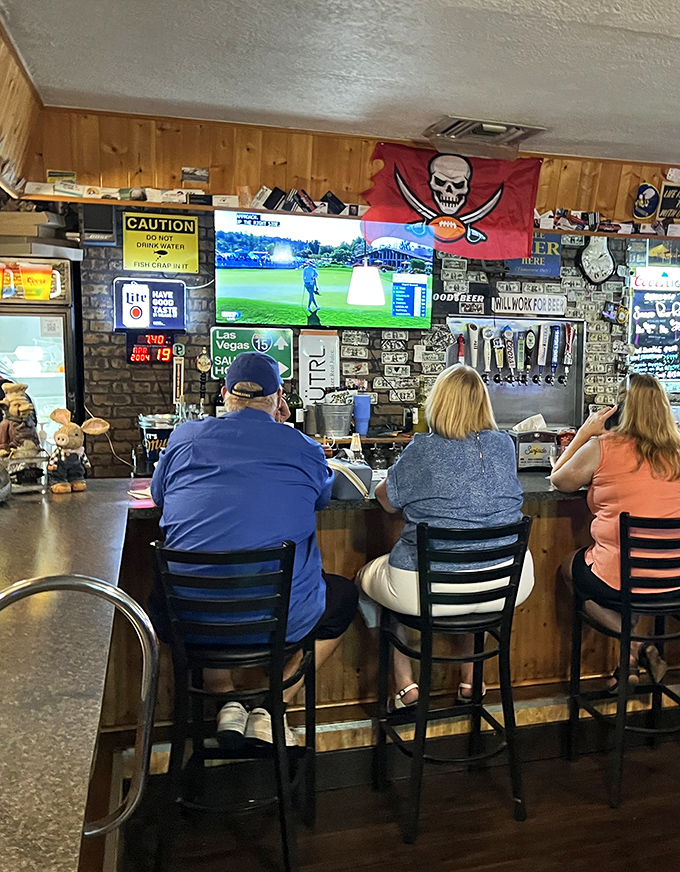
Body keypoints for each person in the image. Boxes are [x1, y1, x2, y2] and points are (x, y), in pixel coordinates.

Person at [151, 352, 358, 745]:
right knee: (344, 597)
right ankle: (273, 707)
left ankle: (225, 700)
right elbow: (320, 499)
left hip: (191, 619)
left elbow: (160, 495)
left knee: (180, 593)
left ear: (226, 394)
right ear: (279, 399)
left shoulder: (184, 437)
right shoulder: (303, 448)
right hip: (277, 619)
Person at [356, 365, 534, 710]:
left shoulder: (423, 450)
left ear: (437, 404)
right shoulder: (504, 445)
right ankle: (471, 679)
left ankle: (406, 686)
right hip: (506, 584)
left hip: (428, 588)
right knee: (473, 564)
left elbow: (385, 501)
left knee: (366, 581)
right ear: (484, 404)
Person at [551, 373, 680, 690]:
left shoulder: (603, 447)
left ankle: (637, 644)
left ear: (623, 409)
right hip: (674, 581)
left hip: (620, 578)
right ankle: (628, 668)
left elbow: (559, 479)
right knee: (630, 580)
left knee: (572, 569)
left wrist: (584, 433)